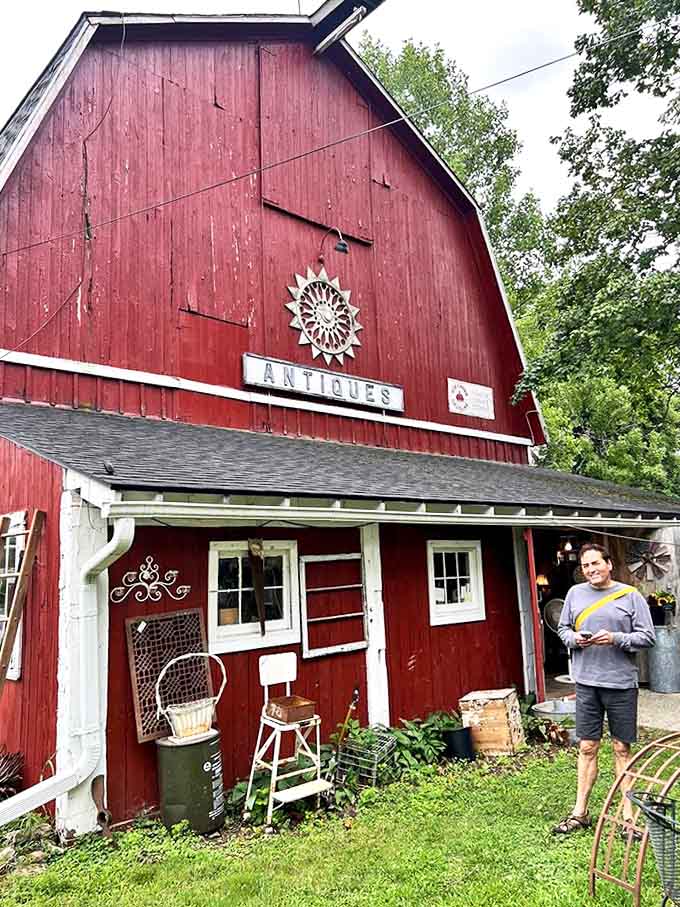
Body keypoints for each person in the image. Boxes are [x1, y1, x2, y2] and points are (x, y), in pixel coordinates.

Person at [552, 542, 655, 836]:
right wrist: (575, 640)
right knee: (586, 747)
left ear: (608, 564)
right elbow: (563, 629)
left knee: (622, 749)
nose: (591, 570)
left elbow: (647, 637)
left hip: (620, 683)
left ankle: (628, 819)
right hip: (586, 683)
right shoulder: (575, 594)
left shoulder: (630, 595)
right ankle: (580, 813)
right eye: (586, 566)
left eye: (596, 563)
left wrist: (615, 638)